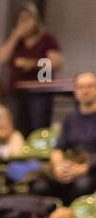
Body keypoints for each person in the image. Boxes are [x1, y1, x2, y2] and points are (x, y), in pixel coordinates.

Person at [0, 2, 63, 134]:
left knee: (39, 128)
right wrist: (15, 36)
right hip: (17, 91)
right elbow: (2, 58)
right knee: (19, 127)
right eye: (21, 19)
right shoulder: (16, 41)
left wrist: (32, 64)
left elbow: (56, 63)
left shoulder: (47, 39)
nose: (25, 23)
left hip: (40, 90)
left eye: (29, 19)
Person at [38, 71, 96, 204]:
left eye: (89, 86)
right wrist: (58, 166)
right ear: (75, 91)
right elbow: (58, 148)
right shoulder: (70, 119)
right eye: (80, 87)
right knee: (40, 185)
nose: (85, 91)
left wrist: (83, 169)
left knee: (83, 185)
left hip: (91, 170)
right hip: (72, 167)